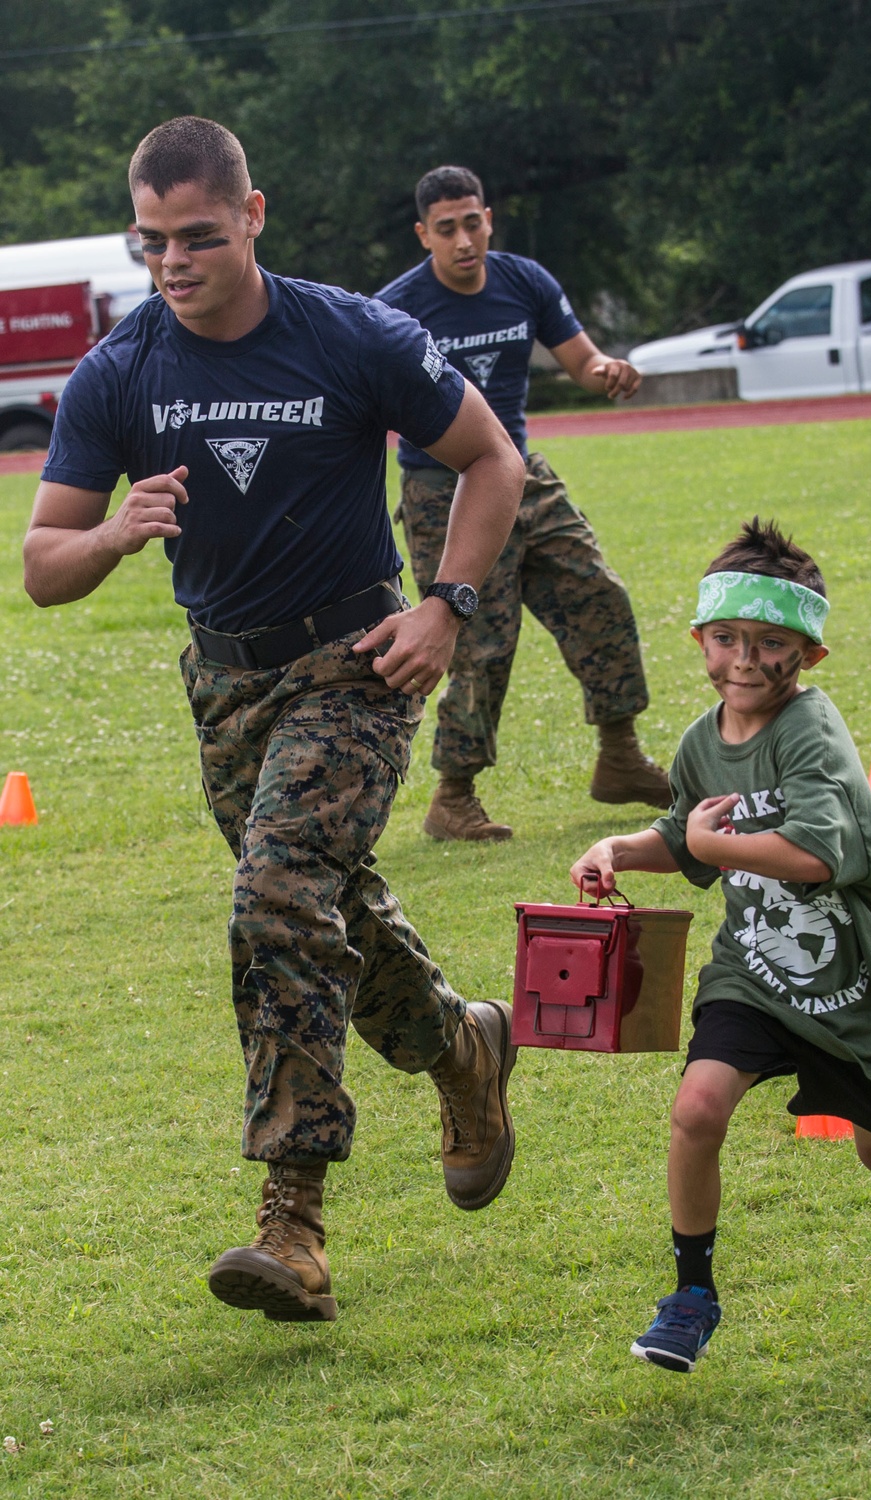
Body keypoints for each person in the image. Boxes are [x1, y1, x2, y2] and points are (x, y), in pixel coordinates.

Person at [23, 117, 527, 1326]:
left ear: (254, 215)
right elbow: (44, 562)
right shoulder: (122, 367)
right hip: (225, 690)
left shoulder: (351, 334)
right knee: (321, 904)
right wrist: (114, 530)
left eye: (197, 237)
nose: (172, 265)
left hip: (356, 665)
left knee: (274, 899)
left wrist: (447, 609)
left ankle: (292, 1222)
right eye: (151, 243)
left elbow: (491, 461)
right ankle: (463, 1046)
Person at [570, 517, 871, 1371]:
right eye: (725, 638)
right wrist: (617, 851)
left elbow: (817, 858)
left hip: (844, 983)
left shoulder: (808, 733)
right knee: (696, 1109)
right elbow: (685, 835)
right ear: (700, 639)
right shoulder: (700, 743)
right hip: (748, 970)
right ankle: (691, 1296)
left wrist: (712, 849)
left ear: (809, 655)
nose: (744, 659)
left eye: (769, 642)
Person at [376, 165, 672, 842]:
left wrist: (607, 371)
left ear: (489, 219)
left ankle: (621, 757)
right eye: (445, 229)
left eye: (471, 222)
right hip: (441, 488)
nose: (462, 240)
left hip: (521, 474)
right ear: (424, 235)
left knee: (599, 594)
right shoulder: (396, 308)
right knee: (478, 638)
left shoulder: (525, 282)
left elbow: (582, 362)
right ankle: (453, 797)